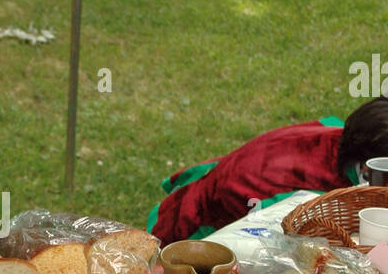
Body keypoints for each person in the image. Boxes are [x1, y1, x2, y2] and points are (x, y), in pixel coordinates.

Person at [148, 99, 388, 246]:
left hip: (233, 173)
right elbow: (268, 244)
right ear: (370, 165)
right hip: (208, 222)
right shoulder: (303, 197)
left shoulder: (346, 135)